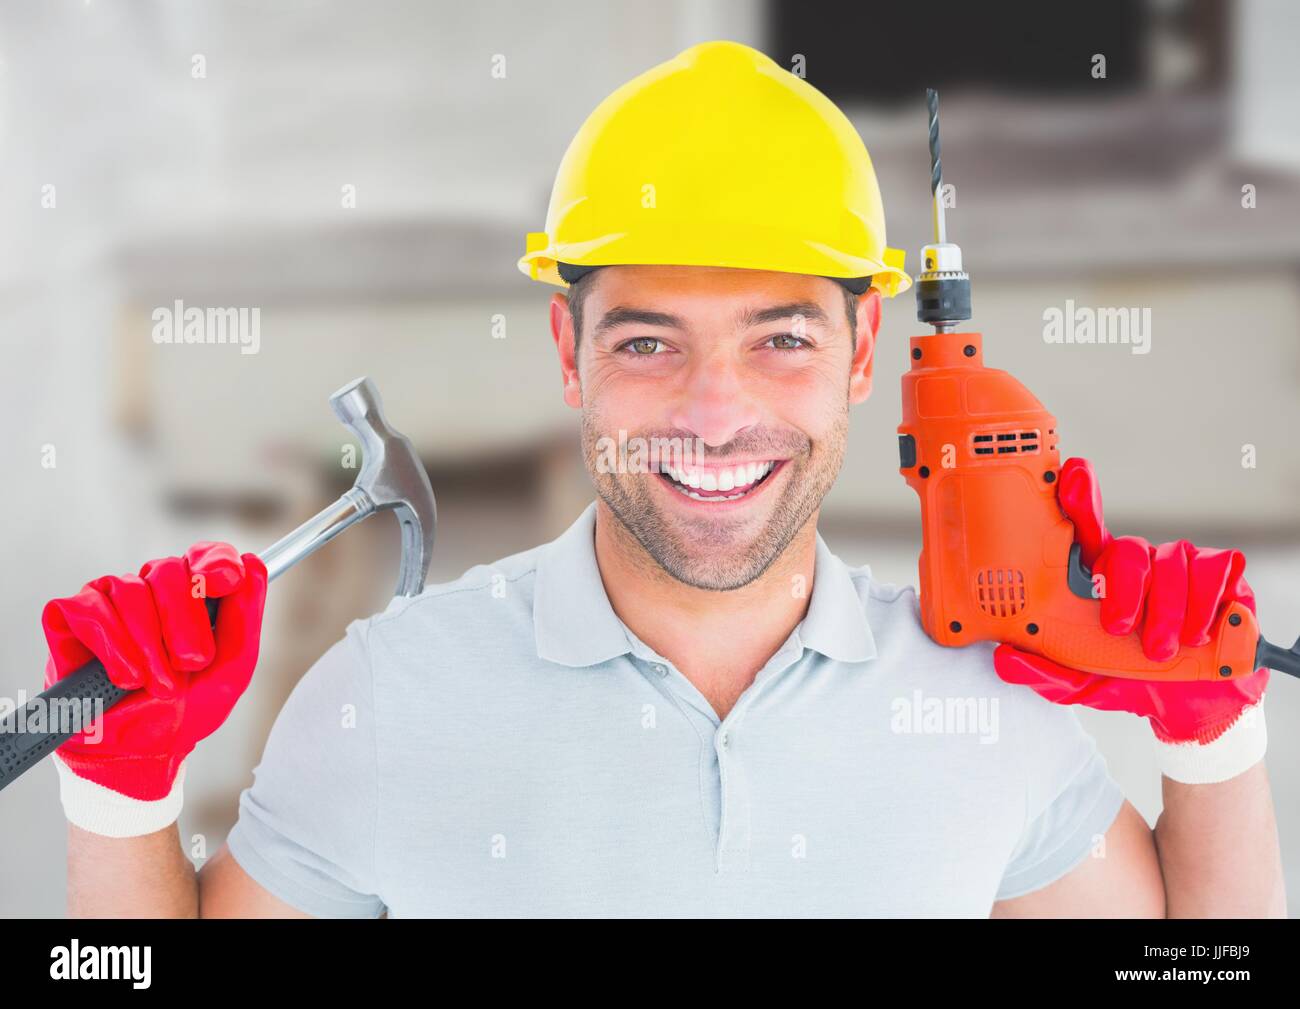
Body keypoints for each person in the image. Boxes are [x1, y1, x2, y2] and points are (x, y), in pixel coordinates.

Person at [49, 41, 1283, 917]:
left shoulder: (981, 703)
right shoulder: (391, 695)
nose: (713, 411)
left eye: (779, 336)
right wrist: (119, 794)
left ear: (863, 356)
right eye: (647, 341)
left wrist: (1214, 738)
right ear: (566, 354)